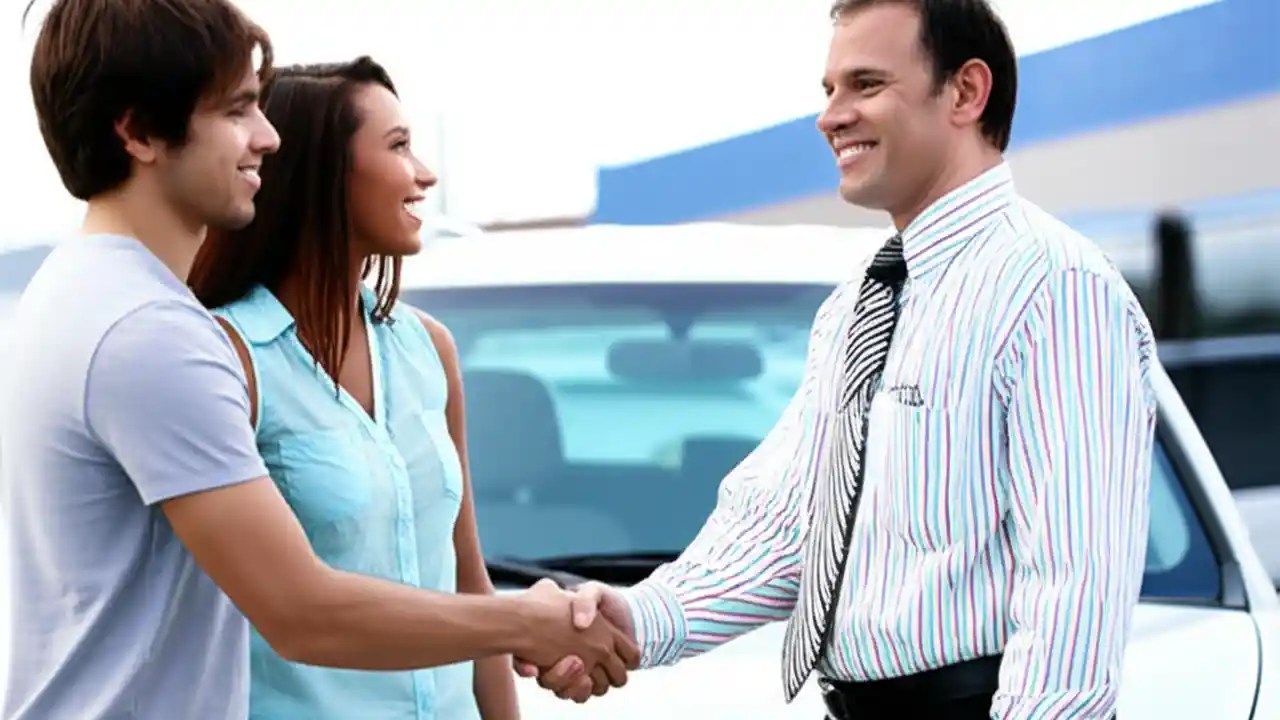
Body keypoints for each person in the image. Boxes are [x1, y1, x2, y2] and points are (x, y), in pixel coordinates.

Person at [2, 2, 635, 719]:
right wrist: (532, 622)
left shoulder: (77, 293)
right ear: (138, 131)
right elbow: (302, 612)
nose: (267, 137)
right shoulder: (150, 334)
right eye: (237, 110)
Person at [524, 0, 1156, 718]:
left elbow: (1075, 590)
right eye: (829, 90)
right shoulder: (859, 301)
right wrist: (635, 619)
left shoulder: (1055, 287)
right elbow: (784, 529)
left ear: (966, 92)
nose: (831, 116)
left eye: (865, 84)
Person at [186, 56, 518, 719]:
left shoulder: (430, 349)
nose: (425, 174)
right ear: (323, 175)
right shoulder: (230, 361)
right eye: (397, 147)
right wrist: (534, 620)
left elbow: (468, 582)